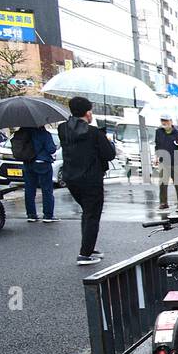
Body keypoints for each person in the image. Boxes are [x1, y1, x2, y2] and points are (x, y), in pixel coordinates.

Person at [57, 96, 116, 266]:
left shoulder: (63, 129)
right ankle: (84, 254)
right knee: (92, 215)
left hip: (70, 178)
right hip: (91, 179)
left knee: (87, 213)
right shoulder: (94, 133)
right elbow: (109, 154)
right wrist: (106, 140)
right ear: (88, 112)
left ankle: (88, 246)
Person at [19, 125, 58, 223]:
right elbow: (51, 149)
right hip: (43, 163)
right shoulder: (44, 134)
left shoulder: (23, 132)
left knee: (29, 189)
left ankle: (31, 215)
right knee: (47, 189)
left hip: (28, 163)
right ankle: (48, 215)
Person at [154, 115, 178, 209]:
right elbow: (157, 145)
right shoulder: (158, 132)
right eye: (163, 121)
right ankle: (163, 203)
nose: (164, 123)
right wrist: (156, 156)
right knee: (162, 184)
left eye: (166, 121)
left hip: (176, 161)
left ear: (171, 121)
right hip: (163, 161)